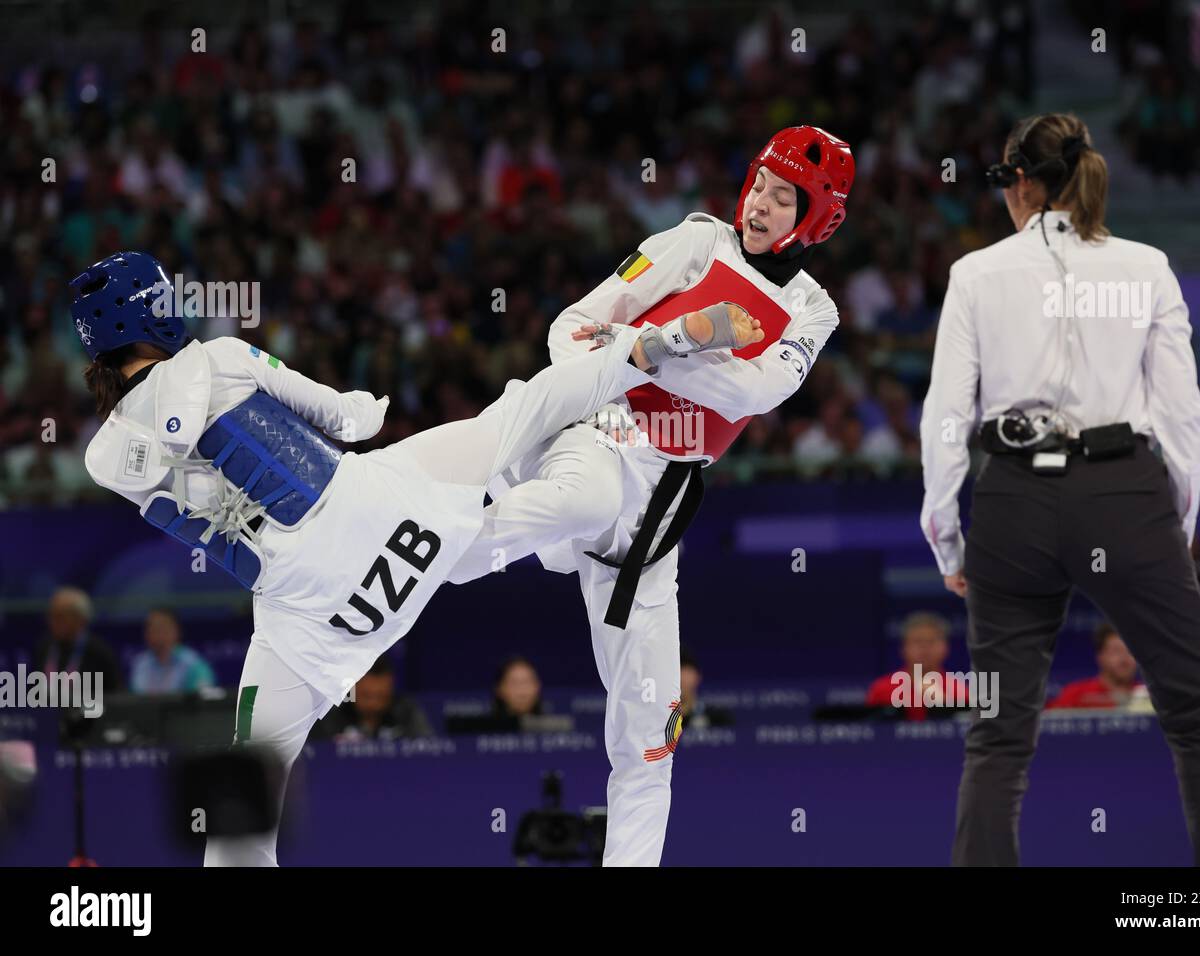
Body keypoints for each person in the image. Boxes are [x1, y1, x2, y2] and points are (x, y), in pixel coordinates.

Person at [70, 250, 759, 866]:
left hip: (316, 620)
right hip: (377, 519)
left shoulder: (104, 457)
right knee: (525, 408)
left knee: (244, 813)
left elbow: (156, 445)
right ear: (153, 313)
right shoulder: (216, 358)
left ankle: (509, 531)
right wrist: (370, 407)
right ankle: (666, 343)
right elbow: (347, 420)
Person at [446, 126, 854, 865]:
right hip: (600, 431)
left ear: (817, 219)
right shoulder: (696, 242)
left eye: (783, 196)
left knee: (652, 735)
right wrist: (677, 343)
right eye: (760, 182)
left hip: (659, 513)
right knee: (583, 502)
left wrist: (645, 344)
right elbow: (569, 330)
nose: (759, 203)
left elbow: (754, 393)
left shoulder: (813, 310)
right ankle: (425, 539)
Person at [919, 113, 1200, 866]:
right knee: (1199, 713)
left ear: (1024, 184)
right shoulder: (1147, 267)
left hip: (1013, 499)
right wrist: (1175, 515)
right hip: (1124, 494)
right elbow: (1180, 416)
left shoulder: (976, 274)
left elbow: (947, 415)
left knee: (999, 729)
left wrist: (946, 531)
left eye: (1006, 182)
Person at [865, 611, 968, 720]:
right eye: (917, 641)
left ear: (945, 648)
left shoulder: (959, 690)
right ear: (903, 648)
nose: (924, 648)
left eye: (931, 642)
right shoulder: (882, 689)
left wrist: (944, 705)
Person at [310, 655, 432, 741]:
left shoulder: (407, 712)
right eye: (366, 696)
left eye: (381, 697)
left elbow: (425, 752)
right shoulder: (331, 715)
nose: (374, 705)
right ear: (351, 689)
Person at [34, 586, 122, 694]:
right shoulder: (45, 648)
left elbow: (115, 698)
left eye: (60, 617)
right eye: (51, 616)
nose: (52, 622)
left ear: (80, 620)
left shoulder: (99, 653)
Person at [1045, 622, 1143, 710]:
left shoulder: (1150, 695)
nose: (1124, 658)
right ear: (1100, 656)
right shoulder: (1076, 695)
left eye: (1130, 651)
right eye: (1116, 651)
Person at [129, 607, 216, 694]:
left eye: (162, 627)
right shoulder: (141, 664)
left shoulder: (194, 665)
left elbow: (204, 699)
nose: (156, 633)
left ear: (176, 631)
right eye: (151, 628)